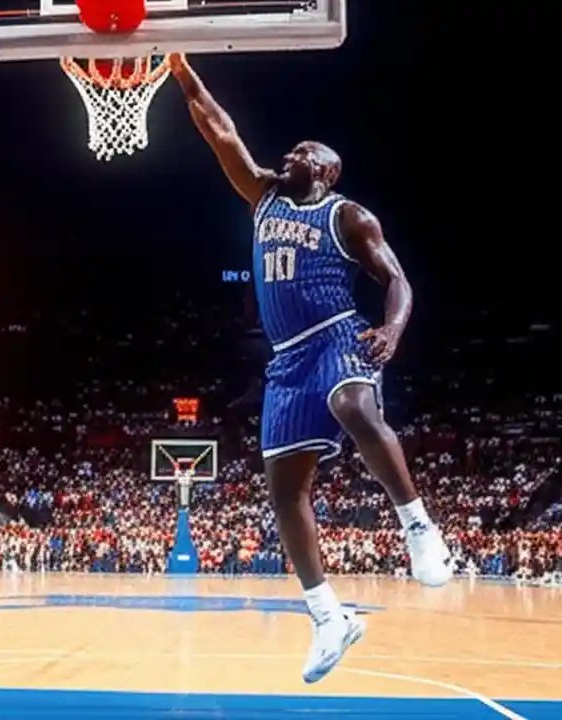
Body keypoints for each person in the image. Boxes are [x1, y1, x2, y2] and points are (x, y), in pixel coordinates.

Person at [168, 53, 452, 684]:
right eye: (290, 150)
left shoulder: (349, 216)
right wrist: (181, 71)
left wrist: (393, 328)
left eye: (304, 152)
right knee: (283, 491)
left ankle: (418, 526)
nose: (290, 154)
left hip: (339, 336)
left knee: (352, 405)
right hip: (287, 361)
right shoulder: (264, 197)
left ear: (327, 169)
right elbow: (220, 130)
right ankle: (329, 617)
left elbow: (398, 280)